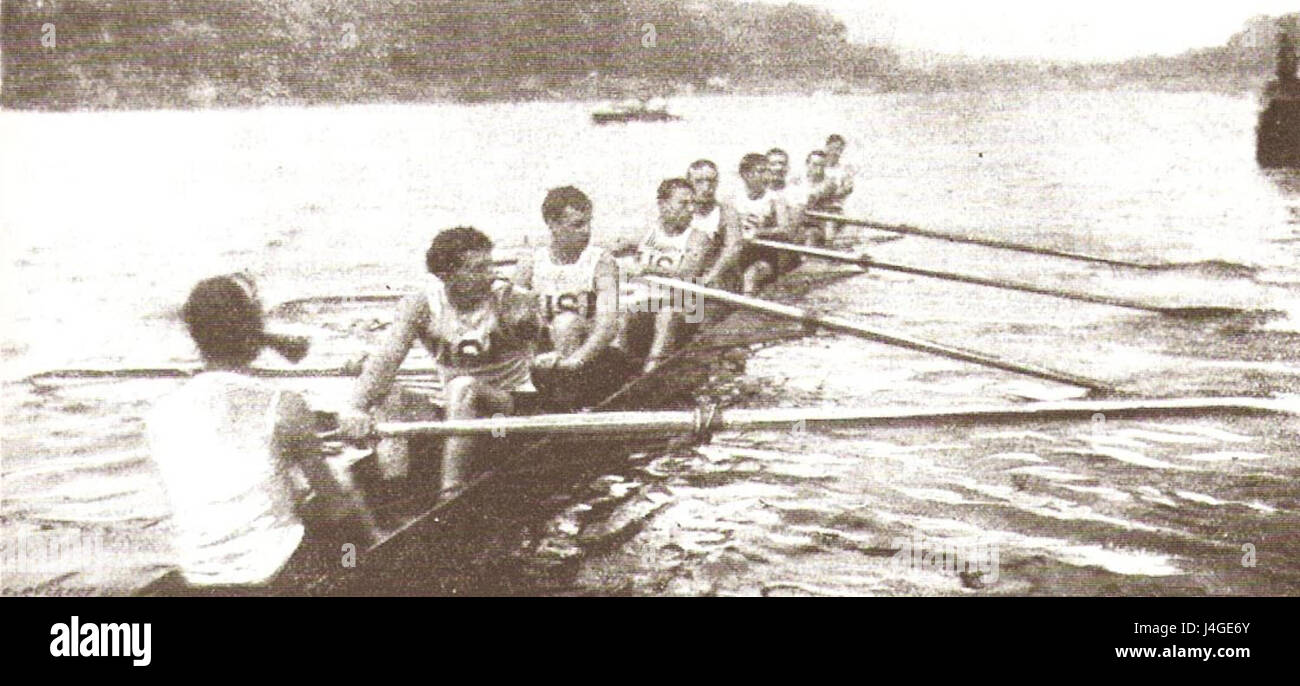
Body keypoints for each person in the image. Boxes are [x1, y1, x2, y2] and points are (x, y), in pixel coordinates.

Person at [147, 274, 375, 594]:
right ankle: (356, 579)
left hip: (199, 575)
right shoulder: (284, 405)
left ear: (195, 335)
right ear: (254, 331)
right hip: (272, 575)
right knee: (347, 511)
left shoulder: (160, 414)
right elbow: (333, 504)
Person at [340, 227, 542, 495]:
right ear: (446, 275)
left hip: (510, 406)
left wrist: (529, 317)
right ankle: (396, 490)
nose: (490, 275)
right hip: (457, 408)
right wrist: (356, 408)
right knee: (389, 394)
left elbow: (535, 343)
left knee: (463, 387)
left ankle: (450, 495)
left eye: (489, 265)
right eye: (478, 269)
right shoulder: (421, 305)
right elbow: (386, 360)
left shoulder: (507, 299)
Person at [513, 186, 626, 406]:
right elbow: (511, 321)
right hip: (545, 355)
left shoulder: (601, 263)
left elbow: (607, 326)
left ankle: (564, 404)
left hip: (590, 357)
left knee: (567, 322)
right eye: (577, 225)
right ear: (553, 225)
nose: (586, 231)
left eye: (588, 223)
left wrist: (574, 361)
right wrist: (530, 360)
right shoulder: (530, 263)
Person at [621, 177, 713, 373]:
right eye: (683, 203)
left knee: (667, 314)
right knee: (616, 308)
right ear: (663, 205)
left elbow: (688, 273)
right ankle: (615, 365)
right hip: (647, 301)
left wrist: (648, 270)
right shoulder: (648, 232)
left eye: (692, 203)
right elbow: (616, 248)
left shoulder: (698, 237)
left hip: (685, 303)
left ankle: (651, 371)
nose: (691, 209)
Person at [730, 152, 794, 295]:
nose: (766, 176)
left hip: (763, 255)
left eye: (767, 171)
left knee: (750, 277)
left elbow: (786, 230)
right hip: (737, 251)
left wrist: (758, 233)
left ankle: (745, 311)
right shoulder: (732, 198)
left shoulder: (775, 199)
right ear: (745, 174)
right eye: (761, 171)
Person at [685, 159, 742, 291]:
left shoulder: (727, 213)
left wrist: (711, 277)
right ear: (688, 184)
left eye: (711, 181)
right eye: (699, 181)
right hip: (685, 278)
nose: (706, 187)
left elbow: (733, 248)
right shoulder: (683, 212)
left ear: (716, 183)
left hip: (717, 282)